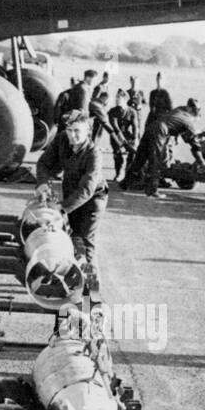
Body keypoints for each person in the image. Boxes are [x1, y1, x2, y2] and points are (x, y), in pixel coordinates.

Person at [35, 108, 108, 272]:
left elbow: (87, 190)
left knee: (86, 244)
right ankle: (71, 282)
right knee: (70, 238)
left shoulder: (94, 153)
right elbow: (44, 164)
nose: (72, 135)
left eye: (77, 131)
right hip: (70, 194)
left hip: (93, 200)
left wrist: (62, 207)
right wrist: (42, 183)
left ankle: (91, 295)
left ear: (87, 131)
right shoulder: (62, 140)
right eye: (69, 130)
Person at [107, 88, 138, 182]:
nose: (116, 99)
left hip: (127, 134)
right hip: (116, 136)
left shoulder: (132, 111)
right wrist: (123, 141)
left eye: (118, 97)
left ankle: (128, 174)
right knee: (118, 154)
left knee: (133, 153)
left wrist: (135, 138)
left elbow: (135, 126)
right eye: (116, 97)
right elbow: (115, 127)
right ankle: (118, 173)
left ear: (125, 99)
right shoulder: (112, 111)